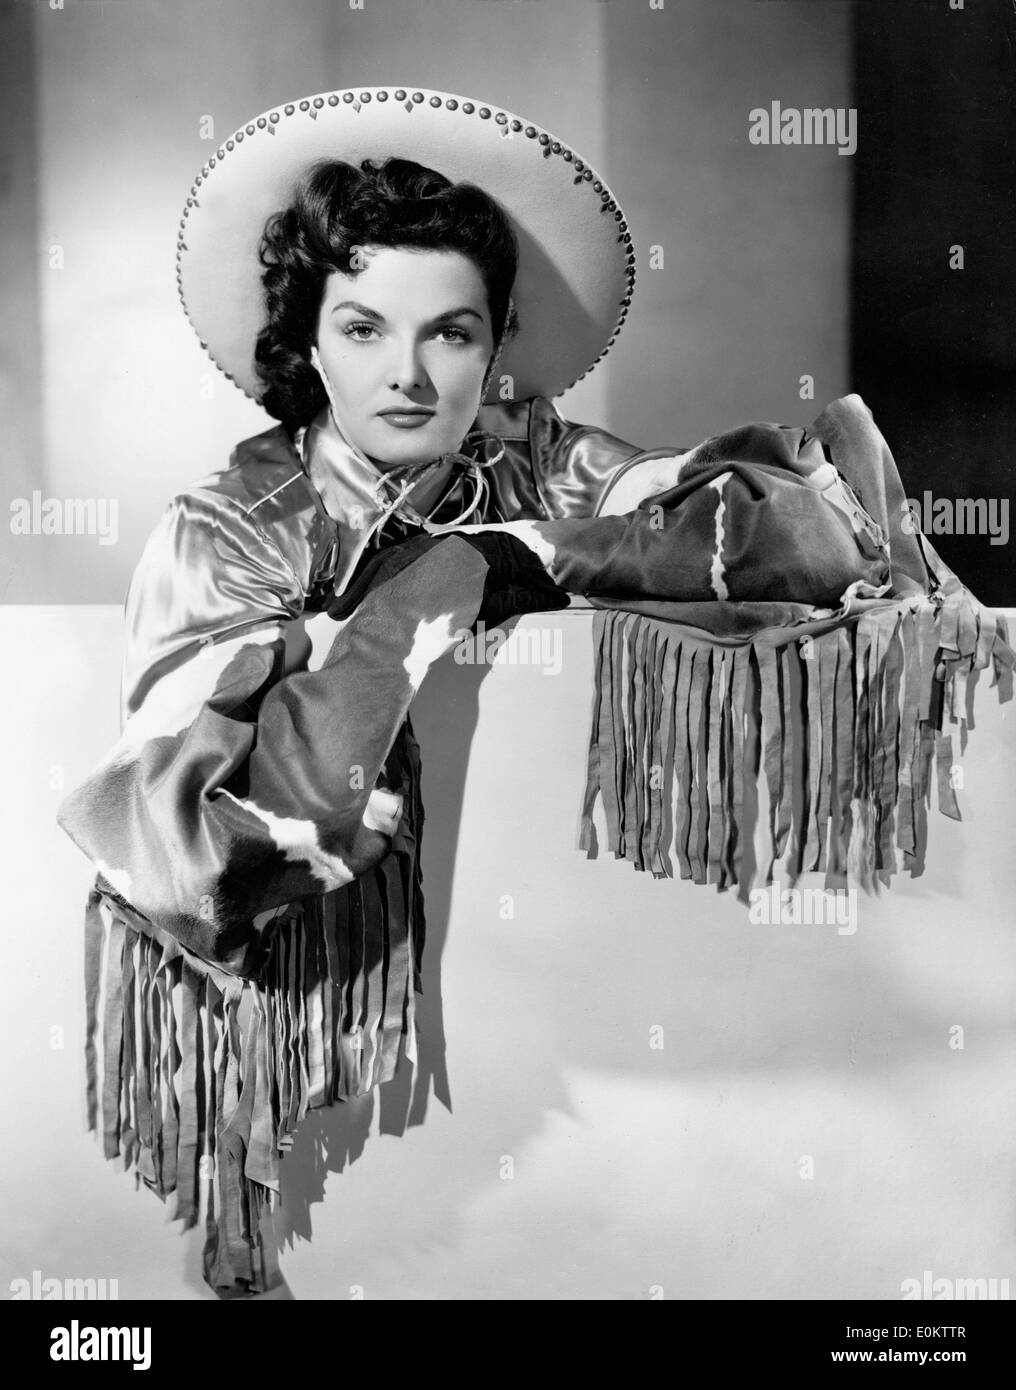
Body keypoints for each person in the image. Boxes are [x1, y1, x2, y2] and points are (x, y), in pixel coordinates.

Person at [55, 87, 1011, 1299]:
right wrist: (420, 601)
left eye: (449, 334)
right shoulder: (229, 530)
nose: (408, 374)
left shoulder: (542, 464)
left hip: (595, 1069)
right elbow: (197, 852)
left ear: (494, 344)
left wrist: (505, 554)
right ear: (307, 343)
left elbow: (812, 535)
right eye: (362, 330)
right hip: (296, 1072)